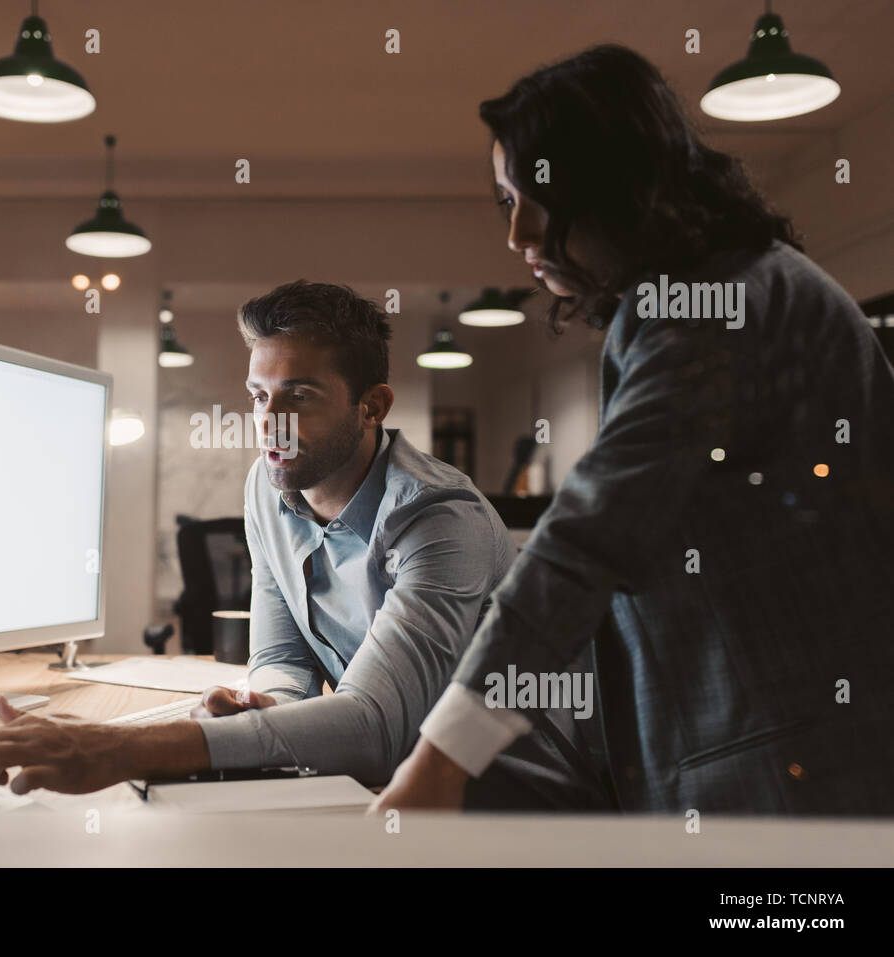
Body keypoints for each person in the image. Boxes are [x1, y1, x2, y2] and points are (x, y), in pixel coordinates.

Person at [373, 45, 894, 816]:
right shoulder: (730, 286)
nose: (517, 233)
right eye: (505, 201)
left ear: (611, 186)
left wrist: (438, 765)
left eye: (534, 199)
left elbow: (589, 539)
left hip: (792, 774)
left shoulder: (715, 302)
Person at [0, 280, 604, 808]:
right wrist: (262, 700)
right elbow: (284, 660)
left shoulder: (439, 519)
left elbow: (376, 727)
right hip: (382, 779)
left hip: (512, 798)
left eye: (298, 396)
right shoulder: (269, 487)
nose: (269, 424)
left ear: (372, 406)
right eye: (259, 396)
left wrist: (119, 747)